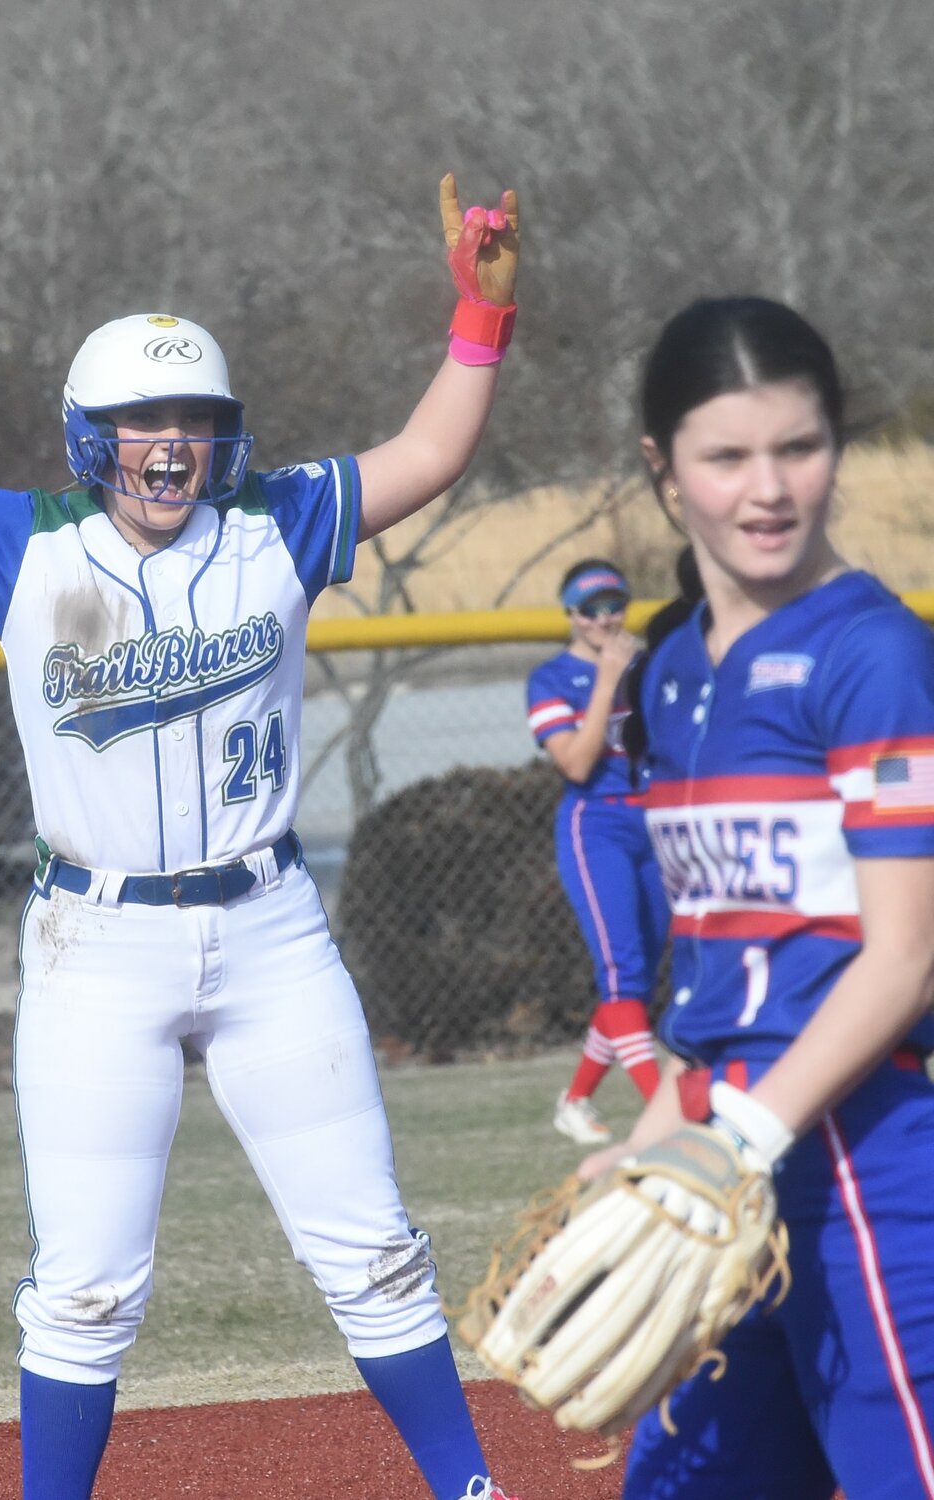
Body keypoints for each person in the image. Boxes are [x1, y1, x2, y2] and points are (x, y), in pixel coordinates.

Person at [0, 175, 524, 1500]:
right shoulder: (22, 544)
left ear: (224, 436)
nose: (168, 445)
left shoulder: (277, 522)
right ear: (89, 438)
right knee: (87, 1288)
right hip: (95, 946)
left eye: (193, 420)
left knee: (376, 1253)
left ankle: (472, 1491)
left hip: (270, 932)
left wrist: (480, 319)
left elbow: (429, 453)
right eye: (140, 421)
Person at [590, 296, 934, 1499]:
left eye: (798, 446)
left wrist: (738, 1137)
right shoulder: (673, 670)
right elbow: (721, 978)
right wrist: (652, 1144)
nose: (768, 487)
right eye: (726, 456)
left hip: (861, 1168)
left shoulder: (871, 653)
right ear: (662, 469)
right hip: (723, 1172)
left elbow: (906, 958)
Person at [526, 558, 668, 1145]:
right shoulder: (551, 679)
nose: (606, 619)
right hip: (597, 826)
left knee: (636, 982)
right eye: (592, 609)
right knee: (621, 973)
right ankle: (667, 1114)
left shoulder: (649, 668)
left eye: (615, 605)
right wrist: (609, 680)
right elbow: (577, 763)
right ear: (571, 615)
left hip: (655, 823)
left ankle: (577, 1100)